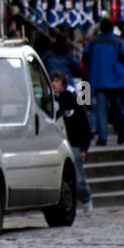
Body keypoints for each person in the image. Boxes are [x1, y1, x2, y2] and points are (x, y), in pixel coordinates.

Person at [83, 16, 124, 146]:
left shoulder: (92, 42)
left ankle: (102, 137)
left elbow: (85, 58)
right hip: (117, 80)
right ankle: (122, 134)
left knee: (100, 109)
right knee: (118, 108)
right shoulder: (119, 42)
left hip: (98, 79)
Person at [51, 70, 92, 215]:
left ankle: (86, 199)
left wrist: (84, 147)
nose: (54, 84)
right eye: (52, 81)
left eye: (56, 81)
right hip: (59, 144)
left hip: (74, 142)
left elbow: (85, 126)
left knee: (78, 177)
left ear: (63, 83)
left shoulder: (74, 101)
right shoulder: (52, 101)